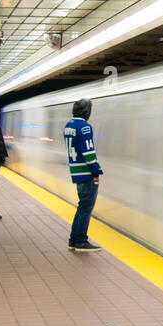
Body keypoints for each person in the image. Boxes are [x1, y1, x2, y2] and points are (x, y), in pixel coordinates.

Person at [64, 98, 102, 252]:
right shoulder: (85, 127)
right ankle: (81, 241)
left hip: (75, 171)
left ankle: (73, 239)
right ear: (87, 111)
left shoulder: (69, 125)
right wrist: (96, 170)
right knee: (86, 208)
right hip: (86, 173)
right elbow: (88, 151)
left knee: (81, 207)